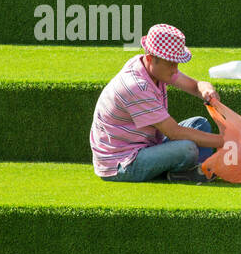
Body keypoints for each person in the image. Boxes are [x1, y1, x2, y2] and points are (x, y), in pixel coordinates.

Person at [91, 24, 225, 183]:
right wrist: (225, 142)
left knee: (200, 124)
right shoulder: (136, 86)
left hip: (146, 146)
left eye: (177, 63)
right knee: (187, 148)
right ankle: (184, 173)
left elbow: (195, 86)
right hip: (122, 164)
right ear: (150, 58)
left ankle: (190, 170)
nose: (176, 70)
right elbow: (174, 132)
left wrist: (206, 89)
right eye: (171, 63)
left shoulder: (150, 67)